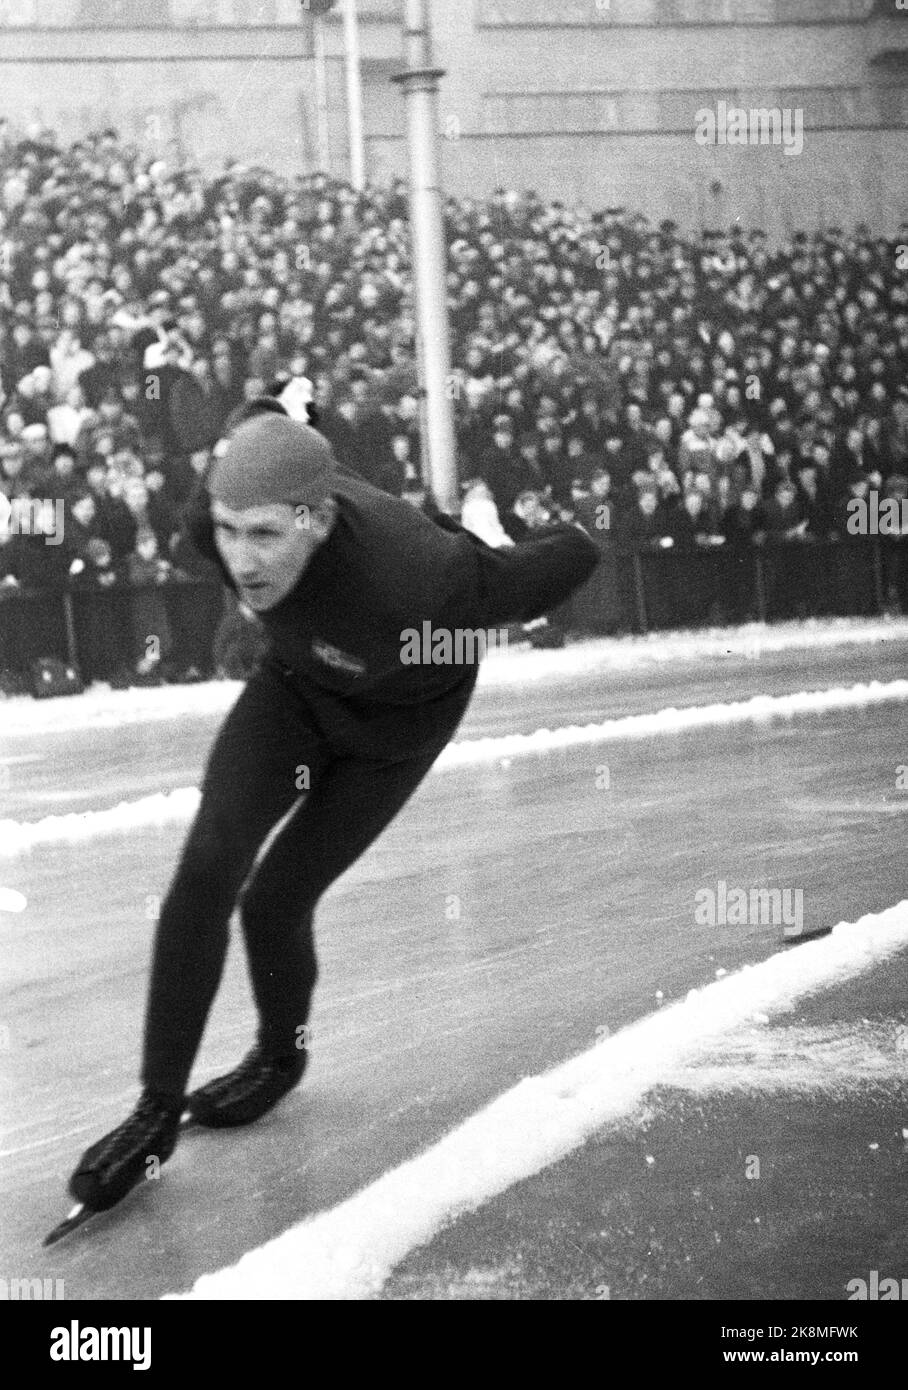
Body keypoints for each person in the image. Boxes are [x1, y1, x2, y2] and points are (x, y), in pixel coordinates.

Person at [65, 399, 600, 1214]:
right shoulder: (210, 527)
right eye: (228, 529)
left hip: (399, 722)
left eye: (266, 535)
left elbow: (574, 555)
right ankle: (153, 1111)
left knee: (275, 900)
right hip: (299, 687)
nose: (241, 560)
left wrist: (490, 543)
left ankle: (281, 1058)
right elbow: (256, 432)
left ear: (316, 521)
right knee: (209, 863)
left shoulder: (421, 576)